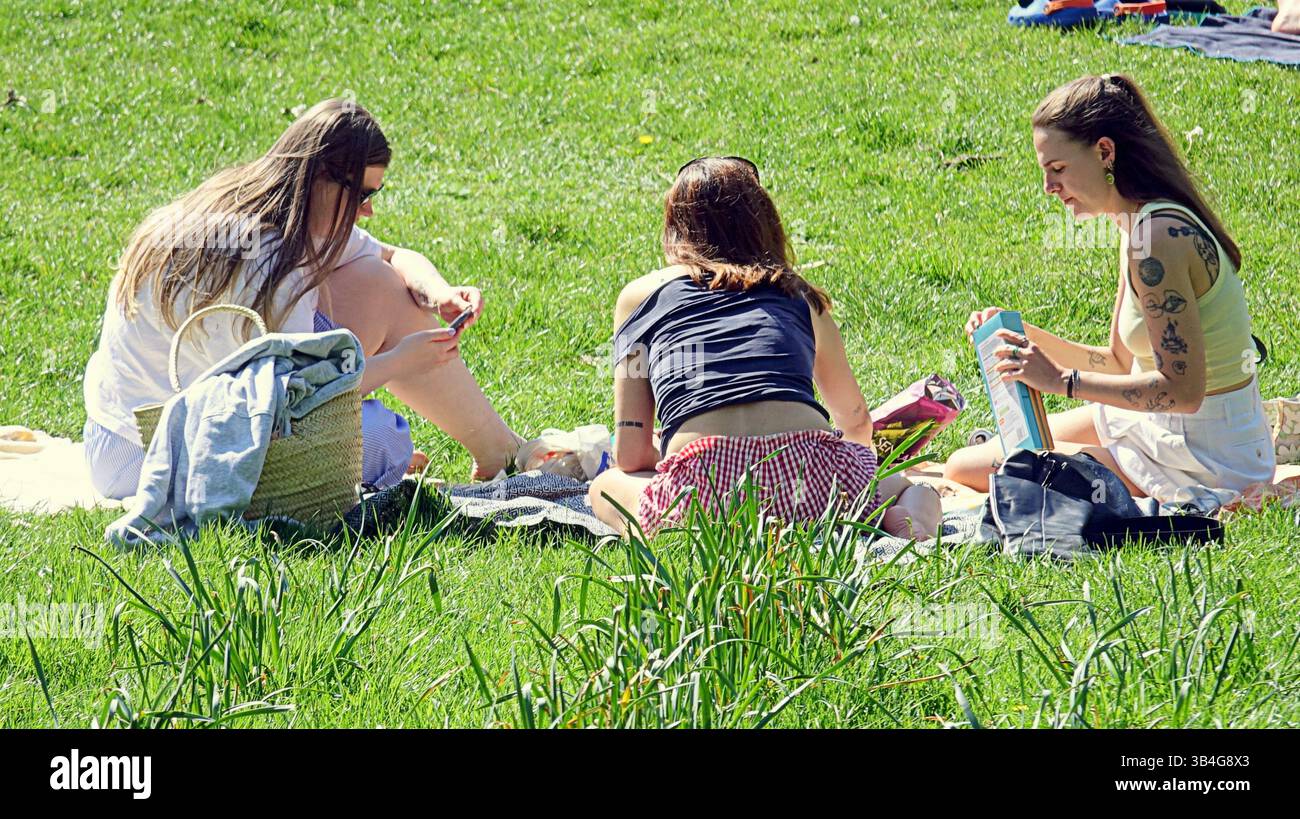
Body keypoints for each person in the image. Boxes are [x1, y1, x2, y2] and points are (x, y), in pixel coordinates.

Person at [83, 98, 522, 499]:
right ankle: (499, 454)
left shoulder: (248, 209)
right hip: (160, 461)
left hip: (108, 440)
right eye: (364, 195)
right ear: (324, 180)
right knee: (385, 435)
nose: (369, 210)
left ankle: (499, 452)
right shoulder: (273, 262)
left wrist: (437, 292)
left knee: (380, 281)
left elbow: (393, 257)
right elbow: (298, 398)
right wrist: (403, 361)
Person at [944, 74, 1274, 501]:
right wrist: (1019, 336)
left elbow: (1183, 392)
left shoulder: (1157, 240)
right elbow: (1121, 362)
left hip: (1205, 457)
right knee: (985, 457)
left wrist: (1062, 381)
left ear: (1104, 152)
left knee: (967, 468)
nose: (1049, 188)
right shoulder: (1137, 223)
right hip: (1157, 426)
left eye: (1058, 169)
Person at [588, 157, 940, 538]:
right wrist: (853, 470)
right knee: (913, 487)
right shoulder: (798, 294)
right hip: (813, 478)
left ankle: (679, 534)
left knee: (604, 489)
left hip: (706, 492)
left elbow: (630, 454)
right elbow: (855, 422)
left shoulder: (638, 298)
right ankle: (911, 525)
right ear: (763, 223)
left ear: (675, 227)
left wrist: (674, 449)